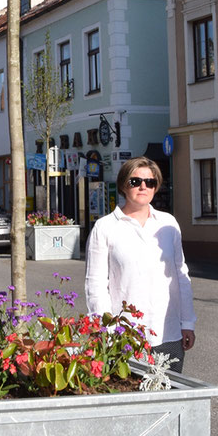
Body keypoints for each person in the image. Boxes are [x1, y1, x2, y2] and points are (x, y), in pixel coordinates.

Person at [84, 156, 196, 370]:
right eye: (136, 181)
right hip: (125, 337)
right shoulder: (105, 227)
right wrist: (104, 329)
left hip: (168, 333)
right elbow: (95, 285)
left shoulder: (168, 224)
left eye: (150, 182)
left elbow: (181, 276)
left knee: (169, 399)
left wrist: (187, 322)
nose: (143, 187)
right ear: (124, 185)